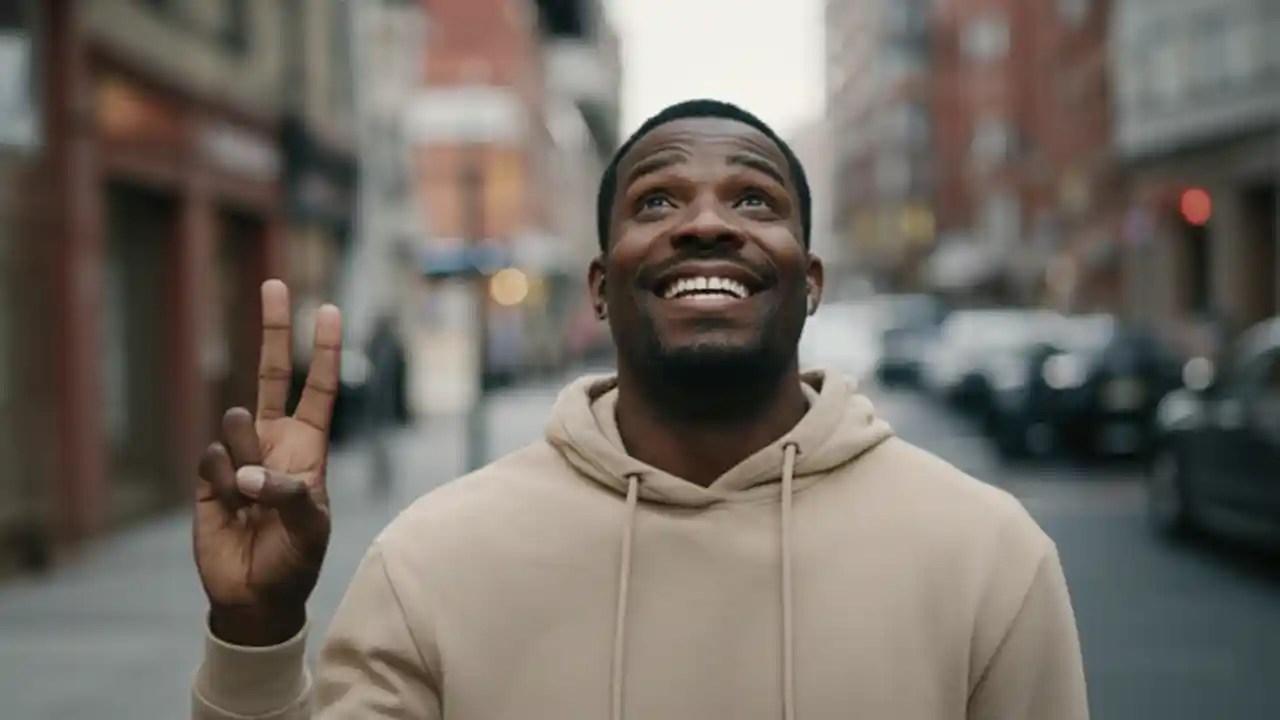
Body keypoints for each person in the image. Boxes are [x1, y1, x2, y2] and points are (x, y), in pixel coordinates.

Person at [191, 100, 1088, 719]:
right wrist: (256, 635)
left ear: (810, 283)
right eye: (657, 199)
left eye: (754, 199)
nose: (704, 224)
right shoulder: (429, 562)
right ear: (599, 288)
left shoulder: (989, 556)